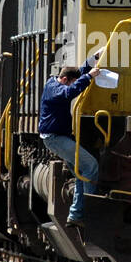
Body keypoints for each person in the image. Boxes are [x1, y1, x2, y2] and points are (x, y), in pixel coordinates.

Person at [38, 52, 101, 224]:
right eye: (72, 82)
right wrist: (89, 77)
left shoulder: (58, 81)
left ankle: (76, 215)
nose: (74, 85)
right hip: (55, 139)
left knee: (82, 172)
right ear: (65, 80)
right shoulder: (54, 89)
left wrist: (94, 59)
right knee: (91, 166)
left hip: (58, 138)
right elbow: (70, 92)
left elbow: (78, 74)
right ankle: (89, 211)